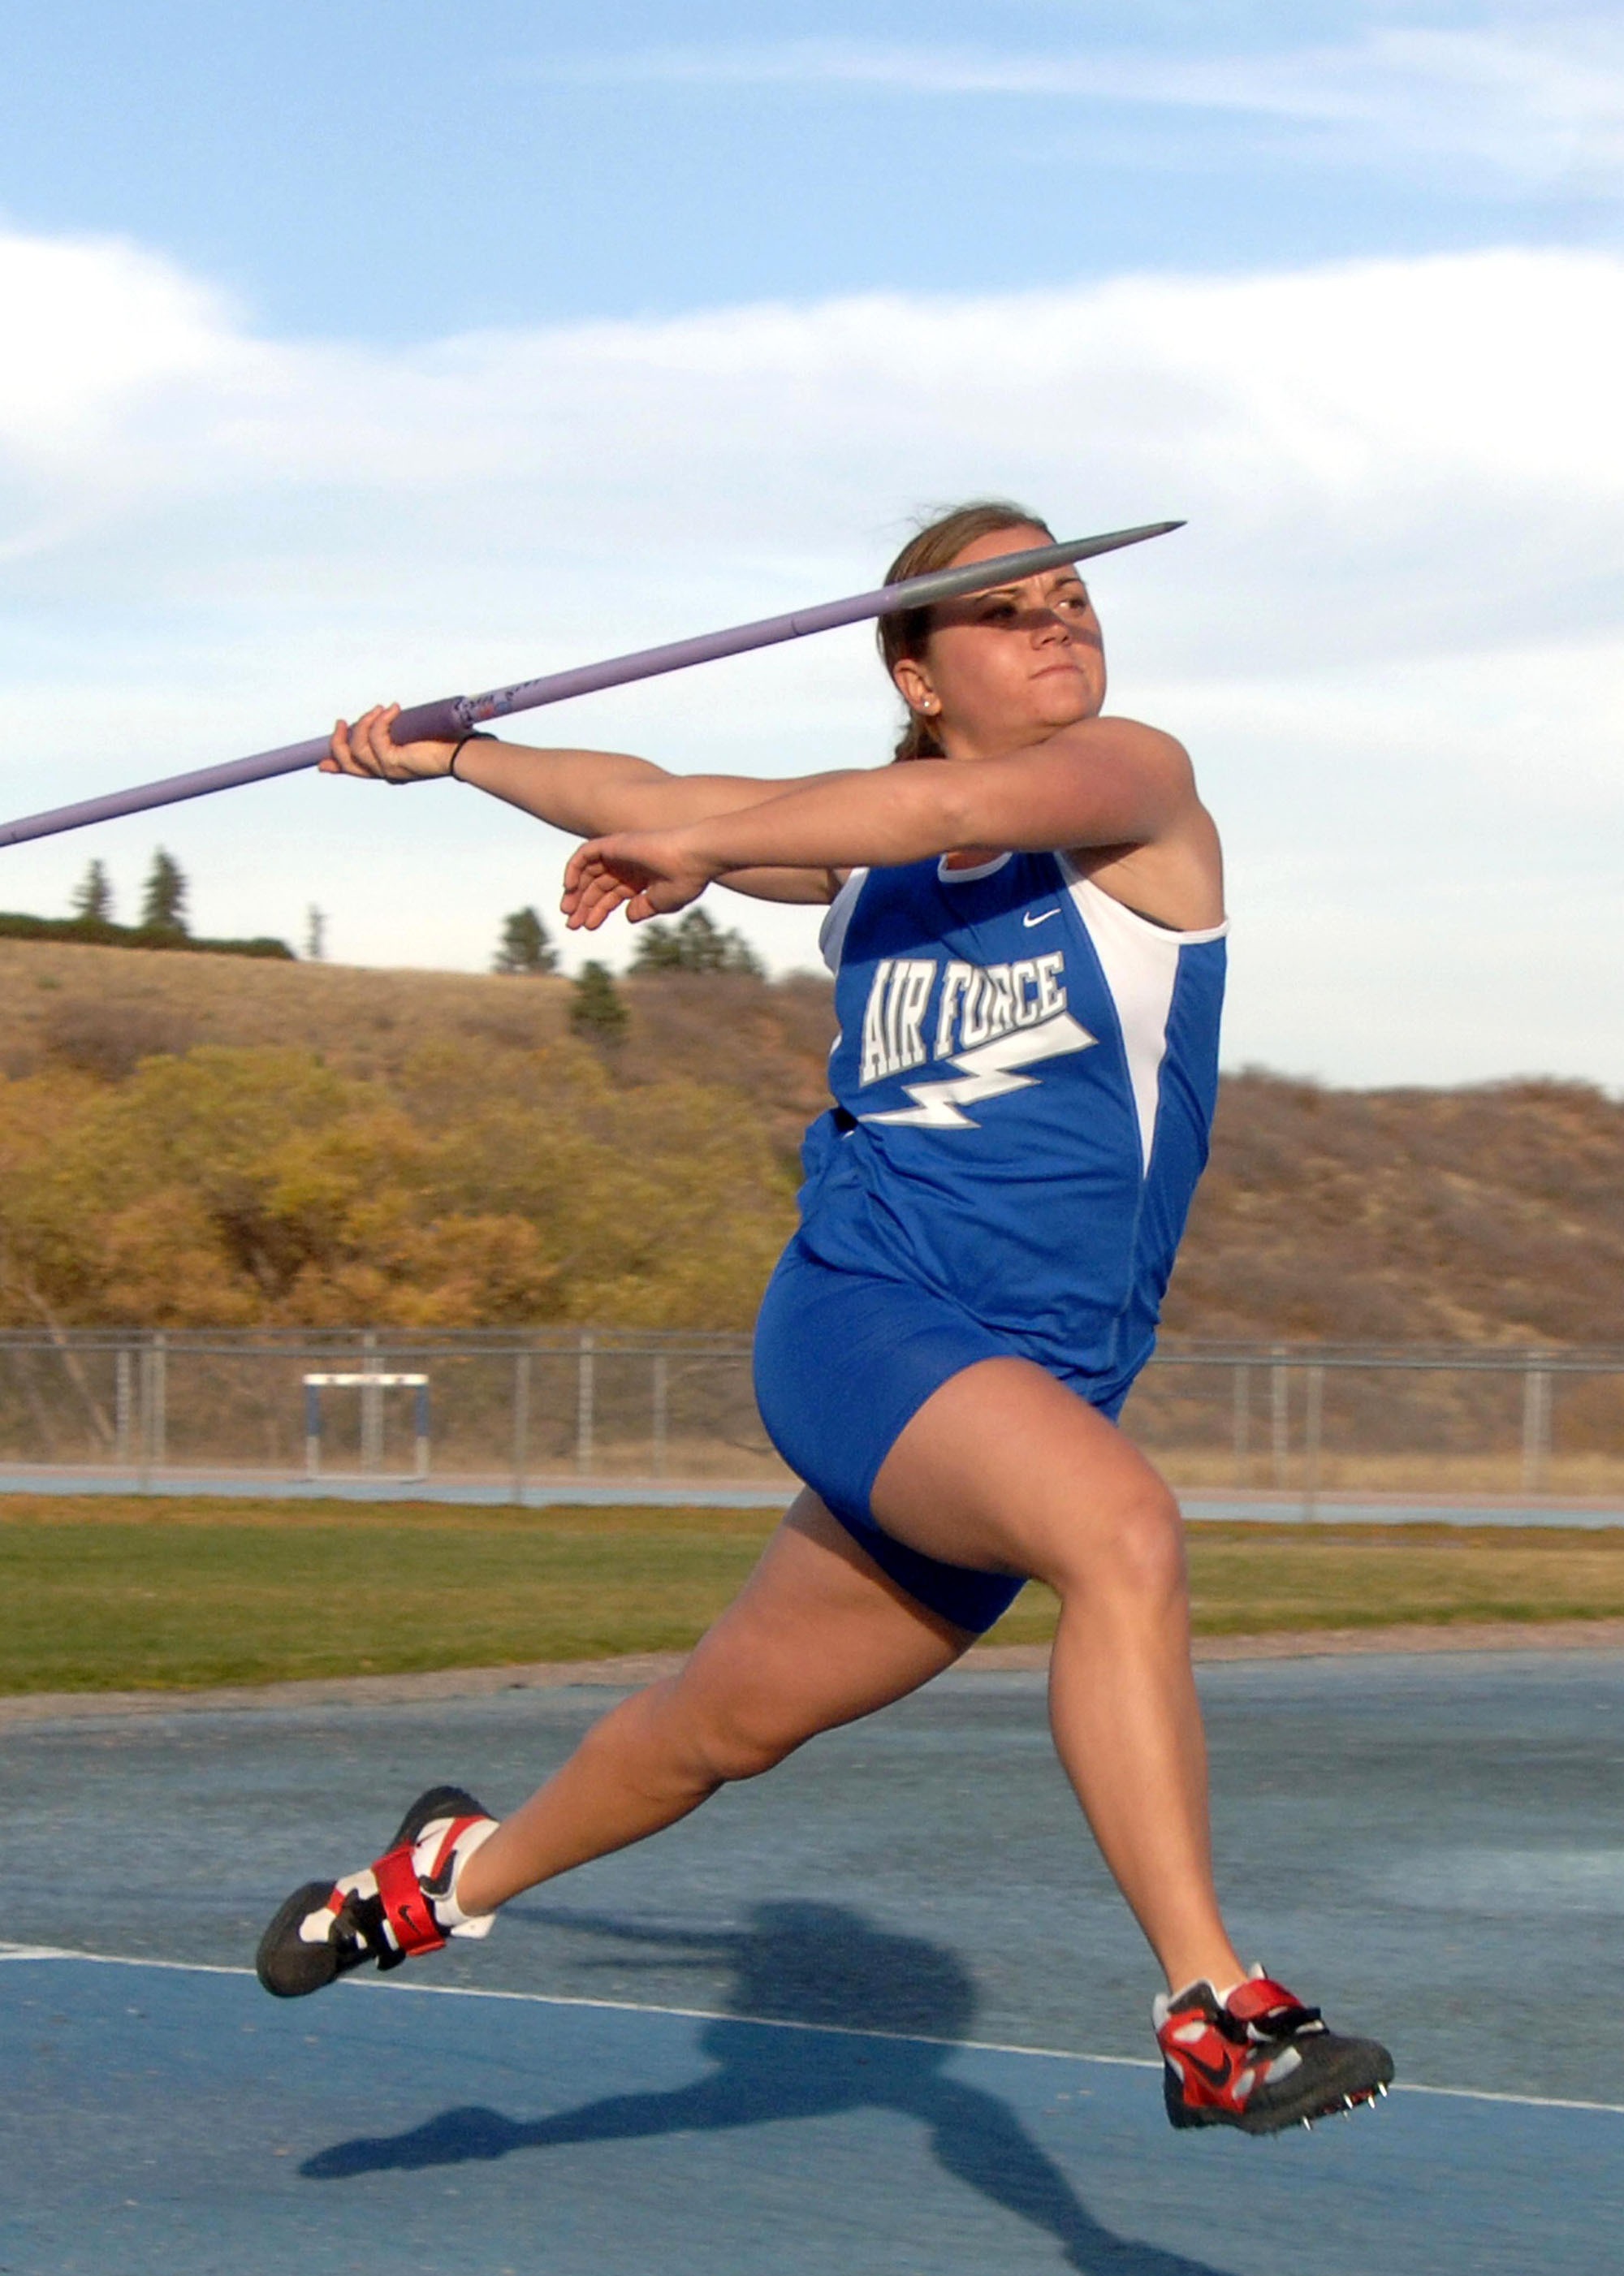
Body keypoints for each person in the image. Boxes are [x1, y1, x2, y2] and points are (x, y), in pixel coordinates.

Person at [257, 501, 1392, 2135]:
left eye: (1071, 598)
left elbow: (911, 804)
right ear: (917, 671)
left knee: (720, 1726)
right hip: (871, 1318)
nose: (1061, 624)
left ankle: (440, 1878)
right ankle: (1213, 2007)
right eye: (1007, 611)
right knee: (1123, 1535)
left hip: (1035, 1382)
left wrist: (712, 845)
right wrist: (453, 759)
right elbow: (646, 800)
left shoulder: (1132, 786)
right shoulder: (870, 850)